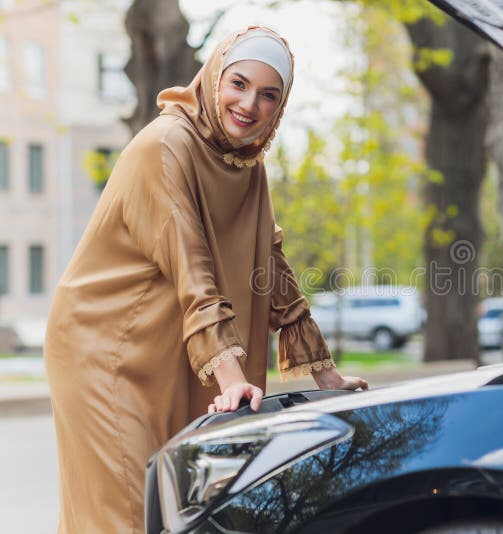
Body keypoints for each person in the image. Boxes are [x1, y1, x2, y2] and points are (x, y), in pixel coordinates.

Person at [43, 26, 367, 532]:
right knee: (126, 511)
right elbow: (190, 264)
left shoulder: (245, 162)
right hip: (104, 347)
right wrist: (232, 378)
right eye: (238, 84)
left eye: (268, 95)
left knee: (177, 511)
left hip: (169, 344)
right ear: (214, 77)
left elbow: (269, 266)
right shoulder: (166, 145)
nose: (249, 105)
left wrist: (324, 372)